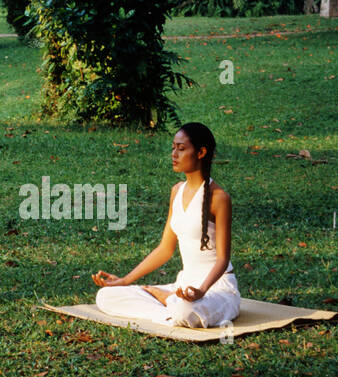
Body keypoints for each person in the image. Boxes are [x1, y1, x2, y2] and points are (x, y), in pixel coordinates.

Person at [91, 122, 239, 330]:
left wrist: (202, 290)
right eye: (173, 148)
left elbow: (223, 259)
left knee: (185, 312)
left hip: (216, 290)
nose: (174, 154)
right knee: (106, 296)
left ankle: (168, 303)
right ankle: (169, 304)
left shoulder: (219, 198)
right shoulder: (177, 191)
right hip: (182, 287)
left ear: (201, 152)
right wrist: (124, 281)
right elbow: (164, 249)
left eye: (181, 149)